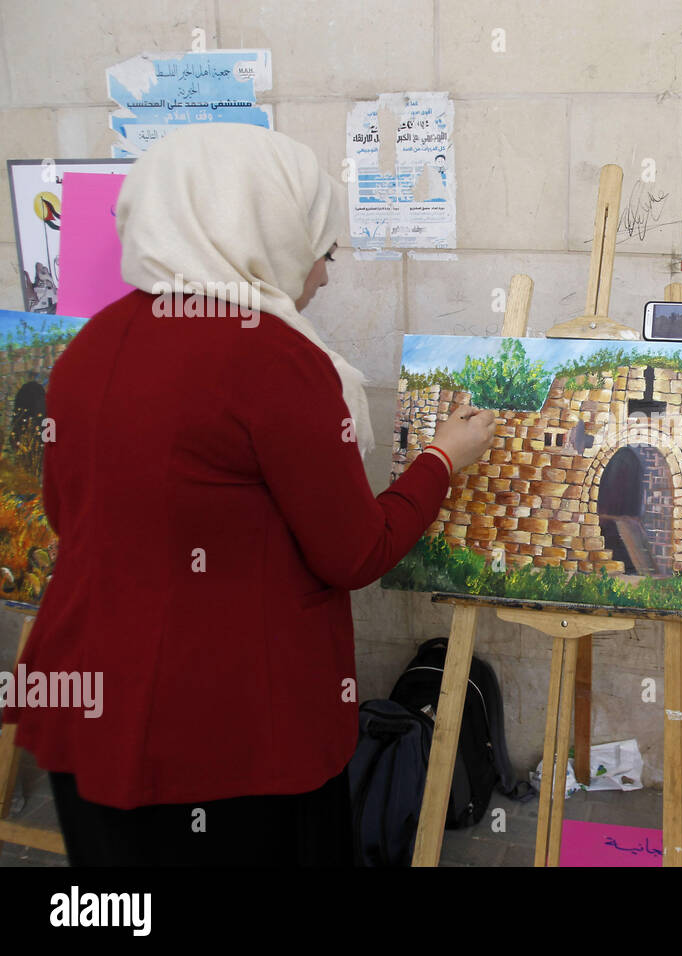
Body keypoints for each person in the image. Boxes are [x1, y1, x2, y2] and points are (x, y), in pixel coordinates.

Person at [1, 122, 497, 866]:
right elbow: (355, 551)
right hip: (229, 740)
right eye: (321, 251)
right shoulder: (274, 359)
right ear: (260, 227)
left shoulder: (89, 346)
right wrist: (441, 458)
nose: (324, 276)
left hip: (88, 718)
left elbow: (72, 517)